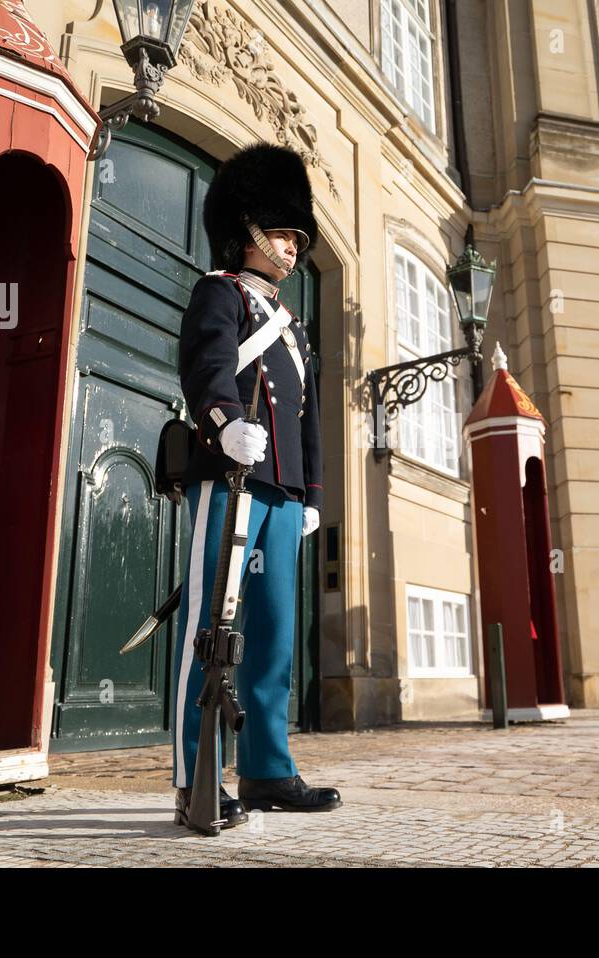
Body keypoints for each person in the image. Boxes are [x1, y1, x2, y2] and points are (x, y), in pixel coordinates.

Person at [172, 142, 340, 831]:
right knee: (209, 633)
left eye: (299, 237)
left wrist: (311, 497)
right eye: (281, 233)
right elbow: (206, 365)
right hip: (231, 478)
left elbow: (307, 419)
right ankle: (196, 779)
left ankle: (268, 769)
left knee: (272, 638)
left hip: (281, 496)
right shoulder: (220, 293)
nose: (293, 249)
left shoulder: (294, 329)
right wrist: (223, 421)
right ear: (245, 230)